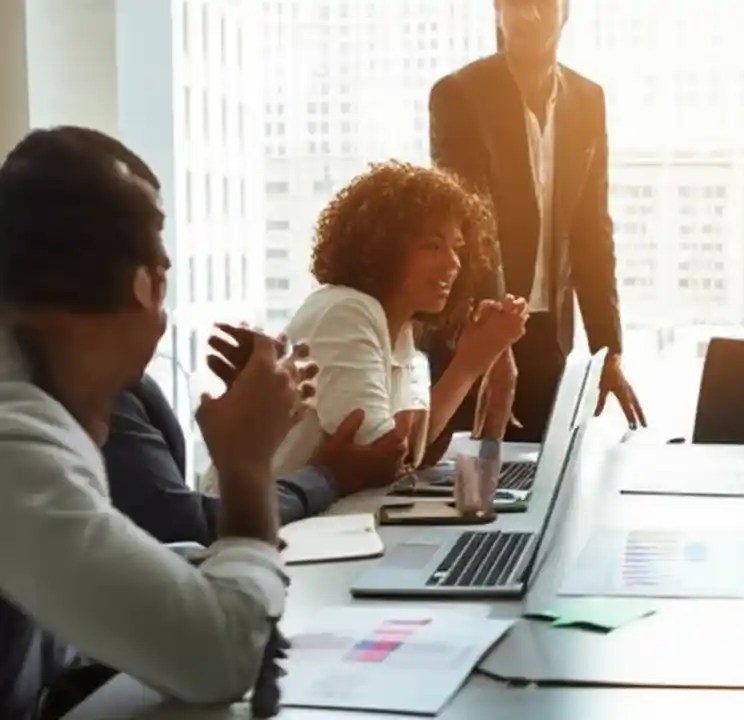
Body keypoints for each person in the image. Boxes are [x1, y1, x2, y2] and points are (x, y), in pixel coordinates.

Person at [0, 127, 306, 716]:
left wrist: (186, 570)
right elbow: (216, 657)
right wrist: (247, 467)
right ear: (153, 283)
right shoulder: (16, 445)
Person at [423, 0, 646, 444]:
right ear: (497, 11)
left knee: (541, 481)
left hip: (549, 334)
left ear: (565, 12)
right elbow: (473, 215)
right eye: (514, 4)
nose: (527, 15)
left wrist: (608, 350)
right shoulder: (459, 94)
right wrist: (496, 339)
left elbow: (592, 230)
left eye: (541, 4)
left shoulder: (588, 99)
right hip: (476, 329)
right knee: (465, 487)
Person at [261, 161, 527, 484]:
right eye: (433, 246)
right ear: (383, 248)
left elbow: (411, 450)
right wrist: (471, 364)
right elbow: (383, 457)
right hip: (267, 523)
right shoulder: (345, 311)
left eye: (456, 248)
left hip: (319, 522)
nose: (454, 263)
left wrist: (474, 361)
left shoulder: (401, 334)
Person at [106, 324, 409, 546]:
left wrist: (253, 423)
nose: (164, 264)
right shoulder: (105, 400)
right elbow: (188, 527)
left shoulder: (122, 387)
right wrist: (327, 476)